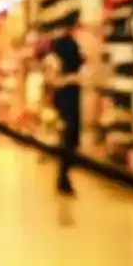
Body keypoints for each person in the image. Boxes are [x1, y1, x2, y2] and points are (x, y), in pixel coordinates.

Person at [44, 25, 84, 196]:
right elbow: (53, 79)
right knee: (70, 137)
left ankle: (64, 177)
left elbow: (51, 78)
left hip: (69, 96)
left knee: (70, 137)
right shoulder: (65, 47)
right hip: (68, 96)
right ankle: (63, 178)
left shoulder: (58, 48)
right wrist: (72, 78)